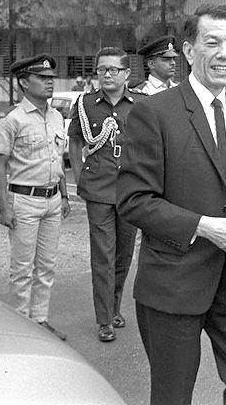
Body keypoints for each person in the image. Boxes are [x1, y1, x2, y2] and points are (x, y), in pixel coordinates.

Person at [117, 4, 226, 405]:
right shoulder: (153, 113)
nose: (225, 53)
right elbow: (134, 202)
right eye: (213, 42)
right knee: (172, 396)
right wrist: (203, 225)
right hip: (174, 282)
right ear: (188, 51)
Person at [0, 54, 72, 341]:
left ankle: (40, 320)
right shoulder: (11, 120)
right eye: (43, 78)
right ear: (25, 82)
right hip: (23, 201)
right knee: (22, 269)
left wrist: (63, 195)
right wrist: (4, 208)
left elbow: (57, 159)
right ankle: (20, 328)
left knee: (46, 266)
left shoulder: (56, 116)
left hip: (51, 201)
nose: (50, 83)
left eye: (51, 78)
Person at [68, 47, 145, 343]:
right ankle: (104, 320)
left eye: (114, 69)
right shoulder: (85, 105)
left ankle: (113, 306)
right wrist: (78, 177)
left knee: (124, 255)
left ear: (126, 74)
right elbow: (75, 142)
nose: (107, 74)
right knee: (103, 256)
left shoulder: (141, 104)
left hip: (129, 191)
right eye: (102, 70)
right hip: (98, 190)